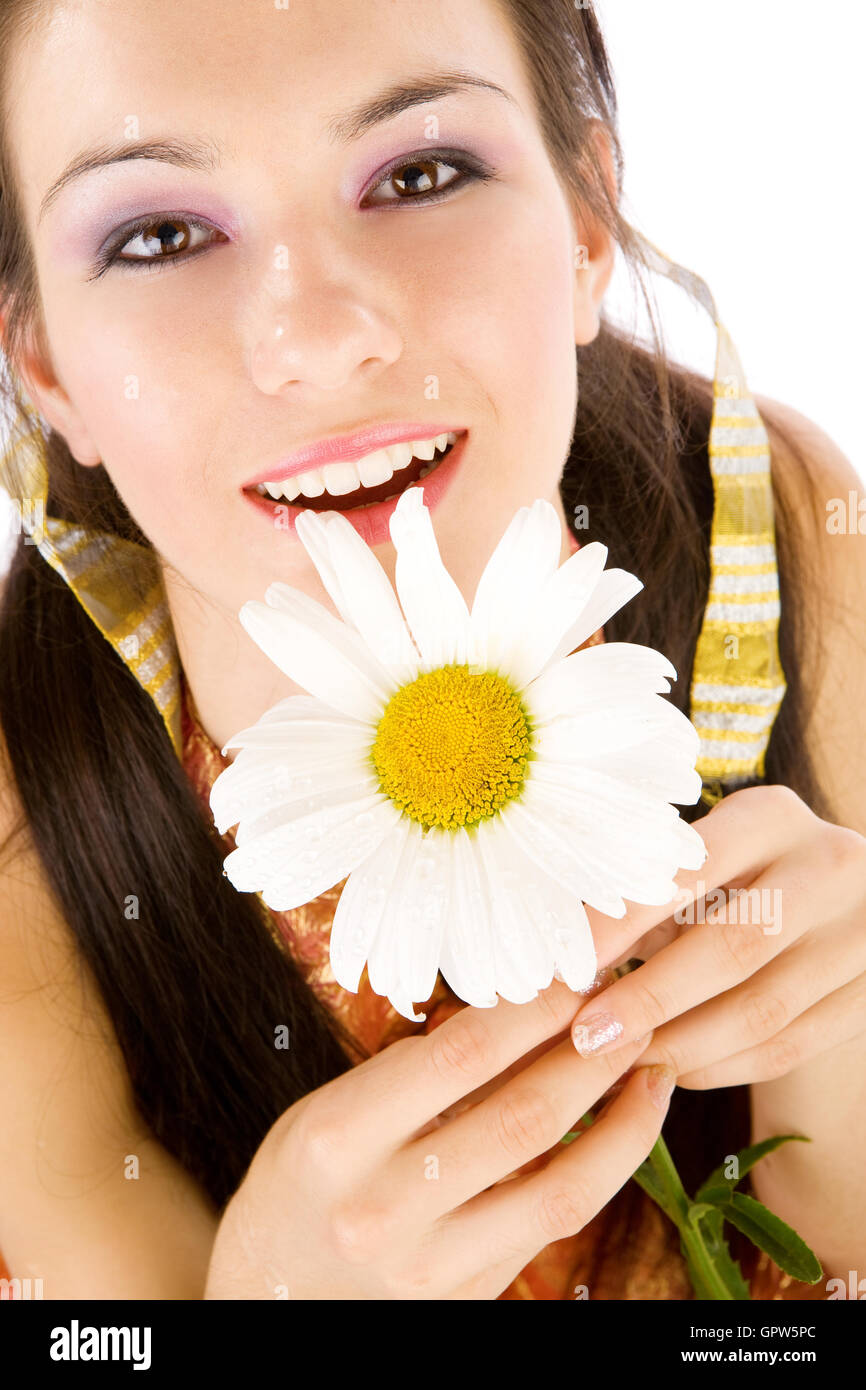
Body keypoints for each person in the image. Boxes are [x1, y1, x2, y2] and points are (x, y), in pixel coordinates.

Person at [0, 0, 863, 1300]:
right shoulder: (24, 859)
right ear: (47, 366)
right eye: (159, 234)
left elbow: (824, 1237)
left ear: (585, 229)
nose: (317, 335)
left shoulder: (775, 528)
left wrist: (832, 1055)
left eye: (418, 172)